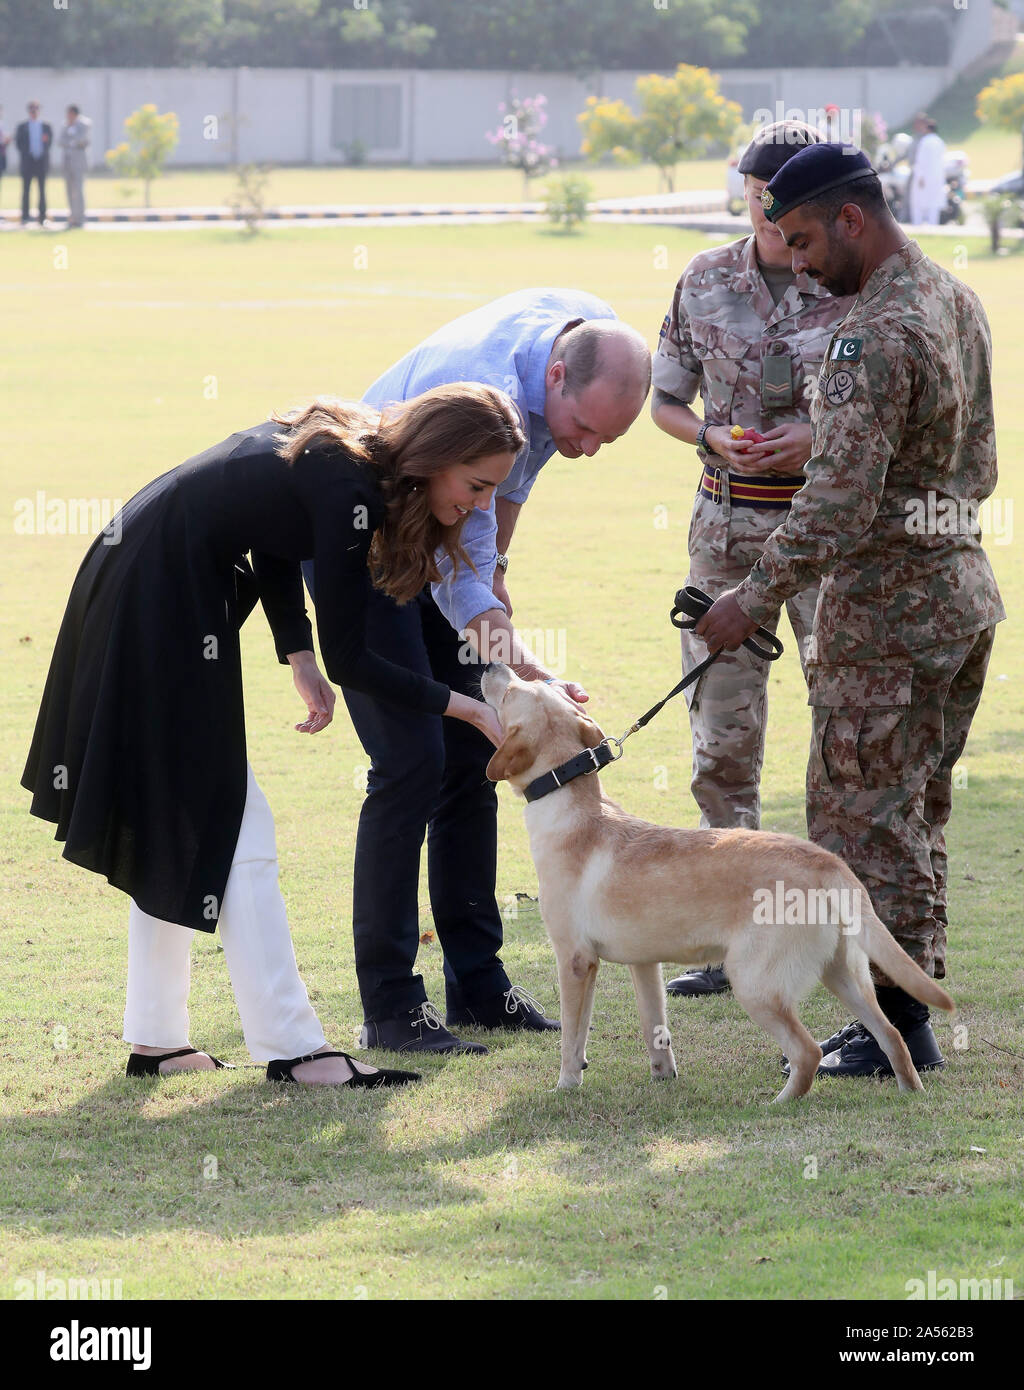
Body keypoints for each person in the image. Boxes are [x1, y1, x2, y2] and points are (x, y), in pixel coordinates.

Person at [22, 384, 525, 1086]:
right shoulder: (350, 484)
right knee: (233, 819)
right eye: (475, 486)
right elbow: (356, 658)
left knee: (183, 808)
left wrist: (297, 653)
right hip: (160, 592)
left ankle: (158, 1040)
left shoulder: (347, 452)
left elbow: (273, 539)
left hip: (147, 572)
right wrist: (465, 708)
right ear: (436, 456)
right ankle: (296, 1051)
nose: (478, 506)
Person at [697, 143, 1005, 1078]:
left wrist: (746, 599)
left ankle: (897, 1027)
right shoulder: (955, 298)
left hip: (886, 618)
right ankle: (910, 1006)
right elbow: (980, 464)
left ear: (853, 220)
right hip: (959, 594)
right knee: (918, 810)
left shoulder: (868, 334)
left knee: (861, 818)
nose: (794, 259)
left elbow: (836, 503)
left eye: (801, 239)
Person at [304, 289, 651, 1055]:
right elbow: (455, 535)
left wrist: (517, 655)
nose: (588, 449)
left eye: (607, 440)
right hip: (365, 539)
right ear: (554, 377)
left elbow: (477, 538)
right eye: (583, 430)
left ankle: (479, 987)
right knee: (410, 763)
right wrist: (490, 610)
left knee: (472, 759)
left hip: (443, 531)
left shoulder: (583, 338)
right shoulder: (480, 391)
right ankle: (394, 1008)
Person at [651, 120, 855, 999]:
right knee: (719, 735)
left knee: (846, 726)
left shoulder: (848, 280)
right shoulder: (704, 280)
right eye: (752, 197)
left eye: (777, 200)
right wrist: (708, 436)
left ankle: (832, 922)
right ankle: (731, 928)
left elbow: (876, 408)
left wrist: (812, 435)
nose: (764, 215)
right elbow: (664, 402)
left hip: (827, 536)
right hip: (726, 530)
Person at [15, 99, 51, 227]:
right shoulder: (22, 126)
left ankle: (42, 217)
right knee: (26, 190)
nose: (34, 112)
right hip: (28, 162)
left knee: (42, 191)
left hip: (41, 162)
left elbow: (49, 144)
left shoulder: (46, 126)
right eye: (32, 109)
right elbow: (19, 144)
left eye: (36, 109)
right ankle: (25, 216)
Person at [58, 103, 91, 229]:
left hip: (79, 163)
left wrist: (70, 142)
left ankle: (80, 217)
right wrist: (72, 142)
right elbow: (60, 141)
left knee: (78, 190)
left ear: (75, 114)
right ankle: (72, 216)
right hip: (67, 163)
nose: (68, 116)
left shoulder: (84, 124)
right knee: (69, 190)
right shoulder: (65, 125)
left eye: (70, 114)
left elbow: (83, 140)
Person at [909, 114, 946, 226]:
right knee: (934, 203)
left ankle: (917, 224)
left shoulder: (925, 141)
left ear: (928, 129)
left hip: (924, 178)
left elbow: (920, 161)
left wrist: (920, 176)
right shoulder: (940, 142)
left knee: (918, 203)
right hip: (937, 177)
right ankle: (933, 225)